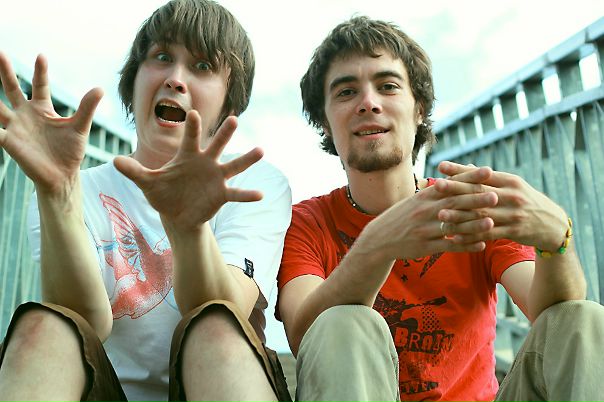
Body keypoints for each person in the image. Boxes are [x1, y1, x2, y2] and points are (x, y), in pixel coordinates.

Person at [277, 15, 604, 402]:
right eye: (346, 92)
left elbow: (554, 315)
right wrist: (377, 245)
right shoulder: (307, 222)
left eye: (388, 86)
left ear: (419, 109)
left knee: (584, 317)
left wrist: (557, 240)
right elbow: (304, 334)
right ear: (324, 122)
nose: (369, 103)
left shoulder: (467, 203)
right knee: (340, 322)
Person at [0, 1, 293, 401]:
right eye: (162, 57)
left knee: (216, 325)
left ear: (230, 104)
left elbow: (225, 308)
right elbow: (85, 322)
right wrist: (59, 194)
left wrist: (187, 226)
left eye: (202, 66)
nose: (176, 79)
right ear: (133, 81)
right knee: (46, 326)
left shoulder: (253, 182)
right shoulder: (72, 188)